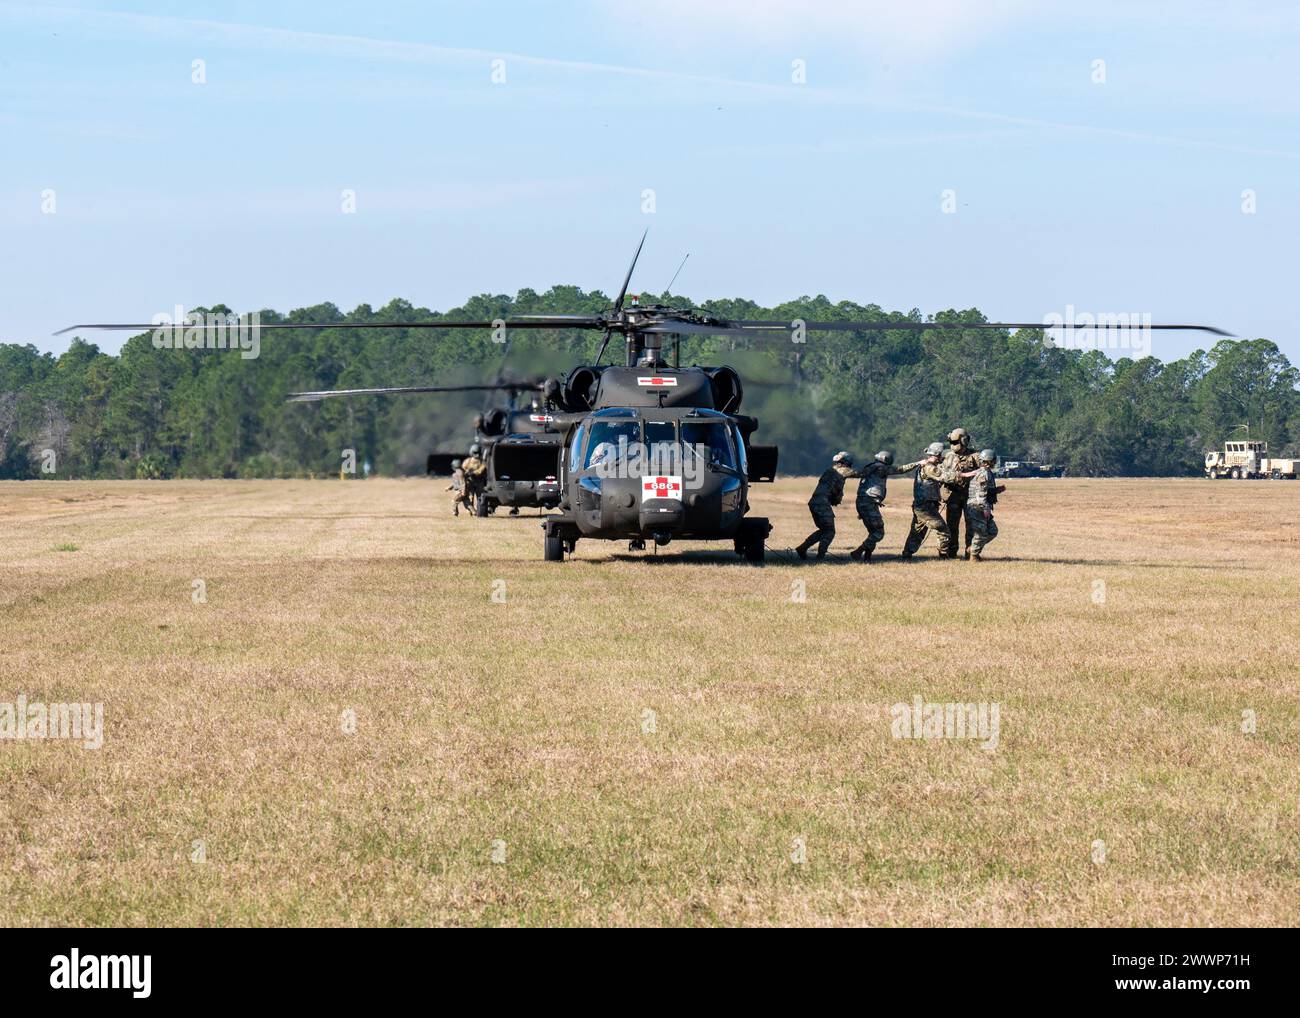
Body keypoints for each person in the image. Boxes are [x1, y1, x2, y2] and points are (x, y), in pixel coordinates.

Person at [849, 451, 918, 562]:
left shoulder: (871, 466)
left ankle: (867, 558)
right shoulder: (881, 468)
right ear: (886, 460)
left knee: (873, 532)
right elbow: (900, 470)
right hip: (869, 502)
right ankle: (858, 551)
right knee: (879, 533)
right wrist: (918, 463)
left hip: (863, 502)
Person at [900, 442, 958, 559]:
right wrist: (964, 474)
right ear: (937, 455)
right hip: (926, 507)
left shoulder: (926, 466)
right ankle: (943, 556)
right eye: (941, 456)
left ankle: (907, 555)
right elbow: (947, 477)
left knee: (917, 532)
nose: (943, 458)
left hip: (923, 506)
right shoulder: (929, 467)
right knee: (943, 530)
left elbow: (935, 482)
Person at [795, 451, 855, 560]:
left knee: (824, 530)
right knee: (829, 531)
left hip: (815, 502)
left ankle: (802, 548)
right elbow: (858, 473)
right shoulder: (841, 469)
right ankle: (820, 556)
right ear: (846, 462)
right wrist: (877, 469)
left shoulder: (830, 470)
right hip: (822, 503)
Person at [940, 427, 981, 558]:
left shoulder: (974, 456)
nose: (953, 446)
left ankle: (970, 553)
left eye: (955, 442)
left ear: (964, 441)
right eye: (952, 442)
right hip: (953, 496)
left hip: (970, 496)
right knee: (951, 526)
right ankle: (951, 552)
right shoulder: (947, 456)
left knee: (971, 526)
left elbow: (984, 470)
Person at [963, 449, 1005, 560]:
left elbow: (986, 490)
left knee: (992, 531)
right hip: (978, 507)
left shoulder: (986, 472)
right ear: (989, 461)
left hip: (980, 506)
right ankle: (974, 555)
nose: (995, 462)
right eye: (994, 460)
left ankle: (972, 549)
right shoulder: (984, 473)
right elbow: (980, 493)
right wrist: (985, 509)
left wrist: (996, 490)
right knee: (980, 533)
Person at [461, 444, 487, 511]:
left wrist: (473, 473)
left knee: (480, 497)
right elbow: (463, 469)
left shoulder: (482, 461)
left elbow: (481, 470)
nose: (477, 455)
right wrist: (467, 473)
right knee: (470, 497)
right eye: (475, 453)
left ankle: (480, 510)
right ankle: (471, 510)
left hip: (479, 482)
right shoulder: (468, 461)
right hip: (470, 482)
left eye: (478, 453)